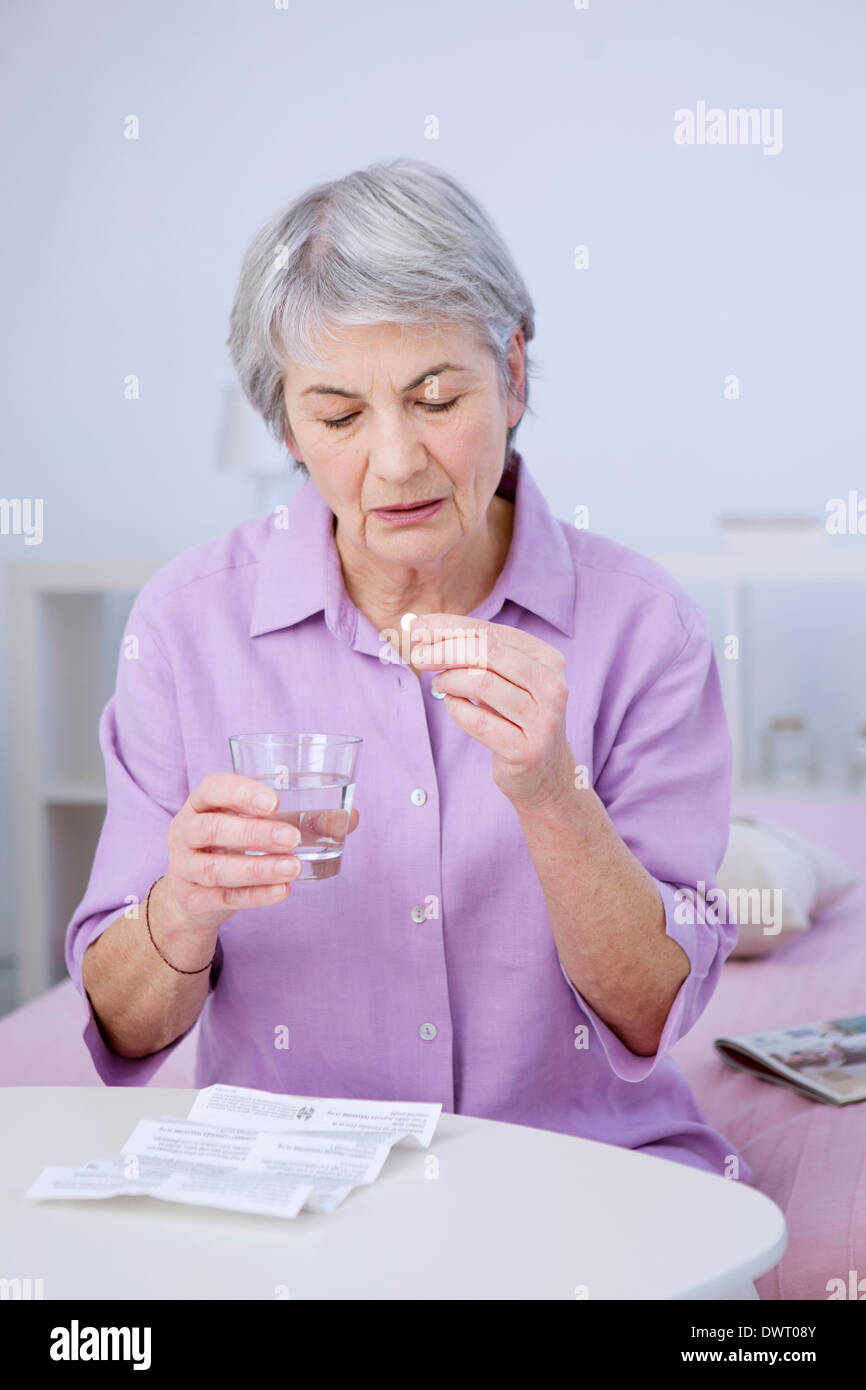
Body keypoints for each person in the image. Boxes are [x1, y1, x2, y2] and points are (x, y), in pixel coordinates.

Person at [68, 158, 752, 1189]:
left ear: (513, 374)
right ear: (285, 424)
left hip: (587, 1180)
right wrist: (181, 908)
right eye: (339, 417)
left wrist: (551, 794)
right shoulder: (185, 624)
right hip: (288, 1191)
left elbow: (652, 1006)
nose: (393, 461)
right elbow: (121, 1025)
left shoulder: (642, 625)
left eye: (435, 398)